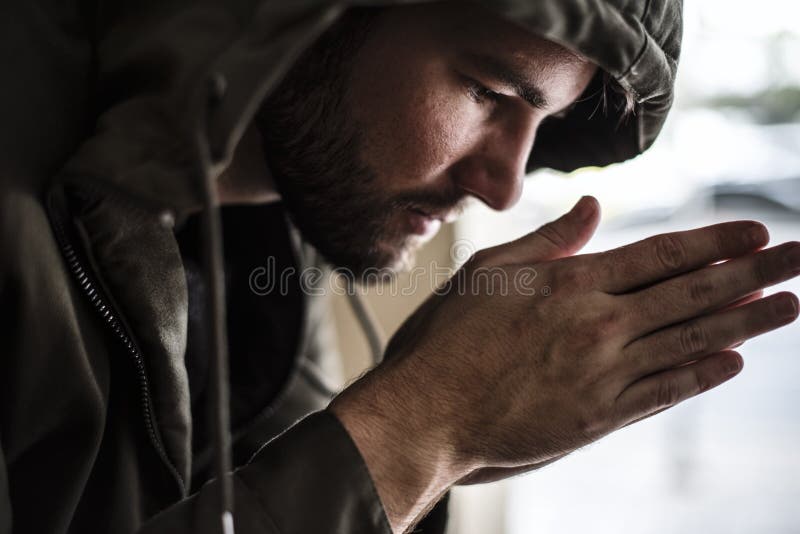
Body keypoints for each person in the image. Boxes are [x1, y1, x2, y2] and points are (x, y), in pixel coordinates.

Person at [1, 1, 798, 533]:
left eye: (543, 122)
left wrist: (459, 433)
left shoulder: (266, 235)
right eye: (488, 92)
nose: (503, 186)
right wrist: (422, 427)